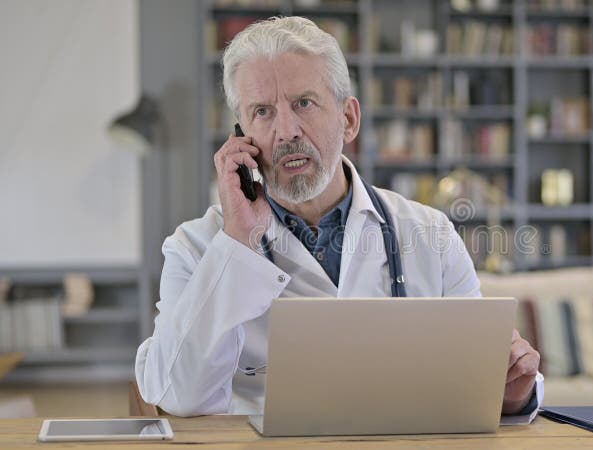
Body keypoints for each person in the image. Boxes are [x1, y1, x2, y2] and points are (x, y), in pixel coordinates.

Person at [135, 16, 542, 420]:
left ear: (349, 119)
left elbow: (478, 382)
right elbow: (177, 395)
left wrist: (511, 394)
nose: (287, 130)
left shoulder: (430, 234)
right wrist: (237, 242)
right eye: (262, 111)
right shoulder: (195, 247)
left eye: (304, 104)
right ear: (242, 135)